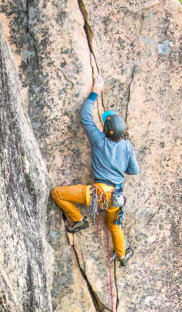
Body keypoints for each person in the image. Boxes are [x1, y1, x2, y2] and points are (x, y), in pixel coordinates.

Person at [51, 73, 139, 264]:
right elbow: (134, 171)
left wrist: (95, 93)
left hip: (96, 194)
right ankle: (123, 255)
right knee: (114, 226)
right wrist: (118, 165)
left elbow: (85, 116)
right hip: (116, 197)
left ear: (106, 130)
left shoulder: (99, 141)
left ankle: (78, 220)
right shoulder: (127, 147)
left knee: (57, 194)